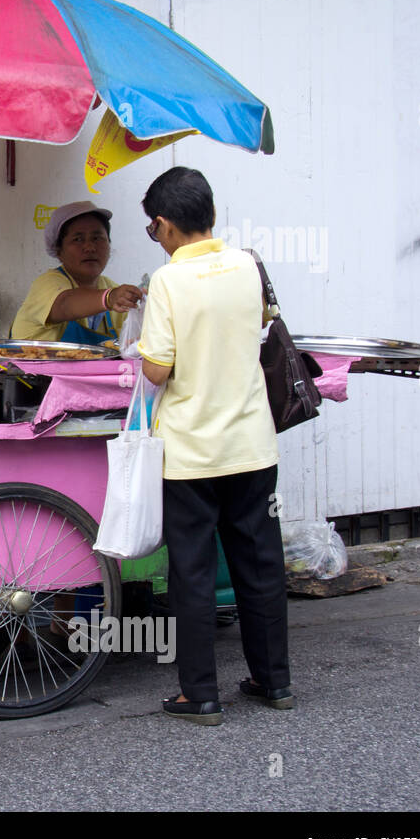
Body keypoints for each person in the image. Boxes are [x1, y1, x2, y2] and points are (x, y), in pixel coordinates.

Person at [137, 167, 292, 726]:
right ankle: (274, 682)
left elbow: (157, 369)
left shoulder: (168, 284)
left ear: (164, 225)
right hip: (252, 446)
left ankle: (200, 695)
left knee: (194, 574)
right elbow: (262, 329)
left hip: (191, 456)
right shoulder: (250, 265)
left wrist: (140, 350)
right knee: (261, 566)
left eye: (154, 231)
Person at [10, 200, 144, 343]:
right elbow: (65, 305)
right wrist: (109, 298)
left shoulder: (112, 289)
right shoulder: (47, 283)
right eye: (78, 239)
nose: (90, 247)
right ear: (59, 250)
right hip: (29, 365)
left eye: (97, 238)